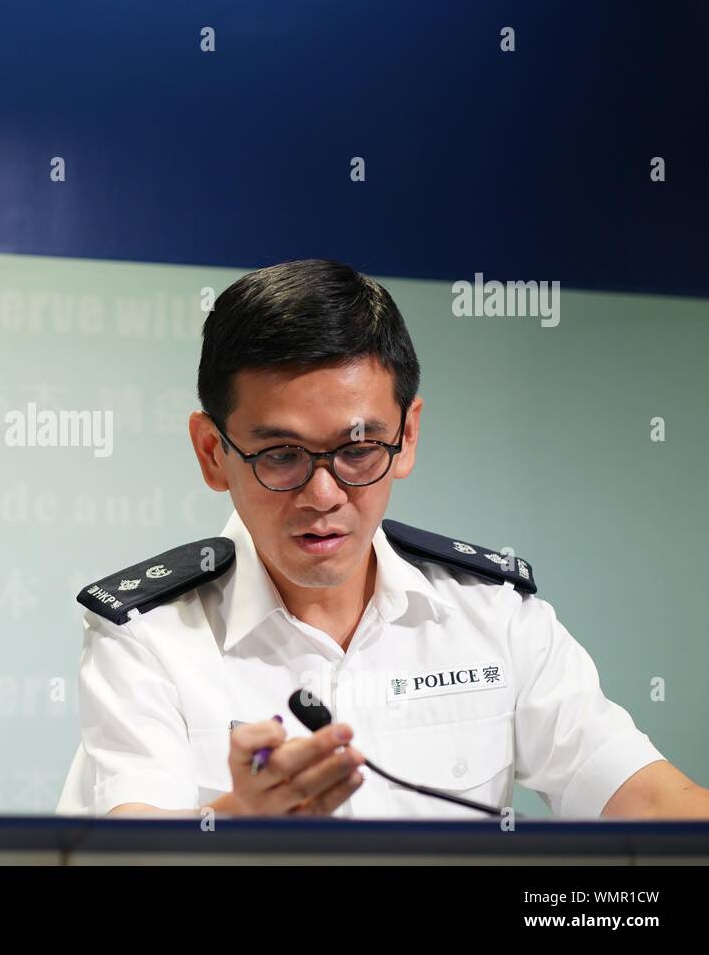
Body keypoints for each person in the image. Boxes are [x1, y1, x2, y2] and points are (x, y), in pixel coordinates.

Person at [58, 258, 709, 819]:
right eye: (281, 455)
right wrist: (238, 821)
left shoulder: (493, 615)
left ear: (408, 435)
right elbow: (131, 848)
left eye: (359, 448)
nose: (324, 494)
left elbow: (648, 800)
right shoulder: (146, 637)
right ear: (211, 452)